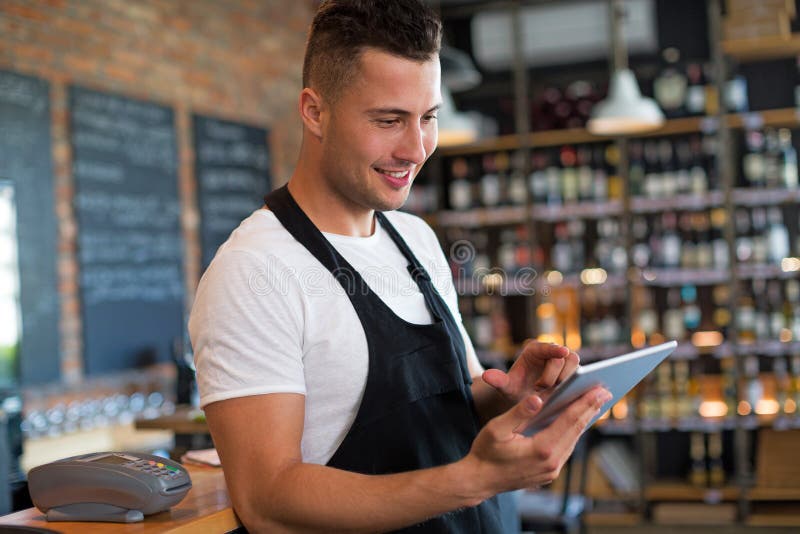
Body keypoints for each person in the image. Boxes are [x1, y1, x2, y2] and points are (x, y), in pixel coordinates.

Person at [189, 1, 611, 532]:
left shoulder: (414, 237)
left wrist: (507, 396)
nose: (416, 149)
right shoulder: (253, 272)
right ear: (314, 111)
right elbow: (267, 500)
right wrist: (475, 479)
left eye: (428, 118)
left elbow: (455, 401)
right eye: (389, 120)